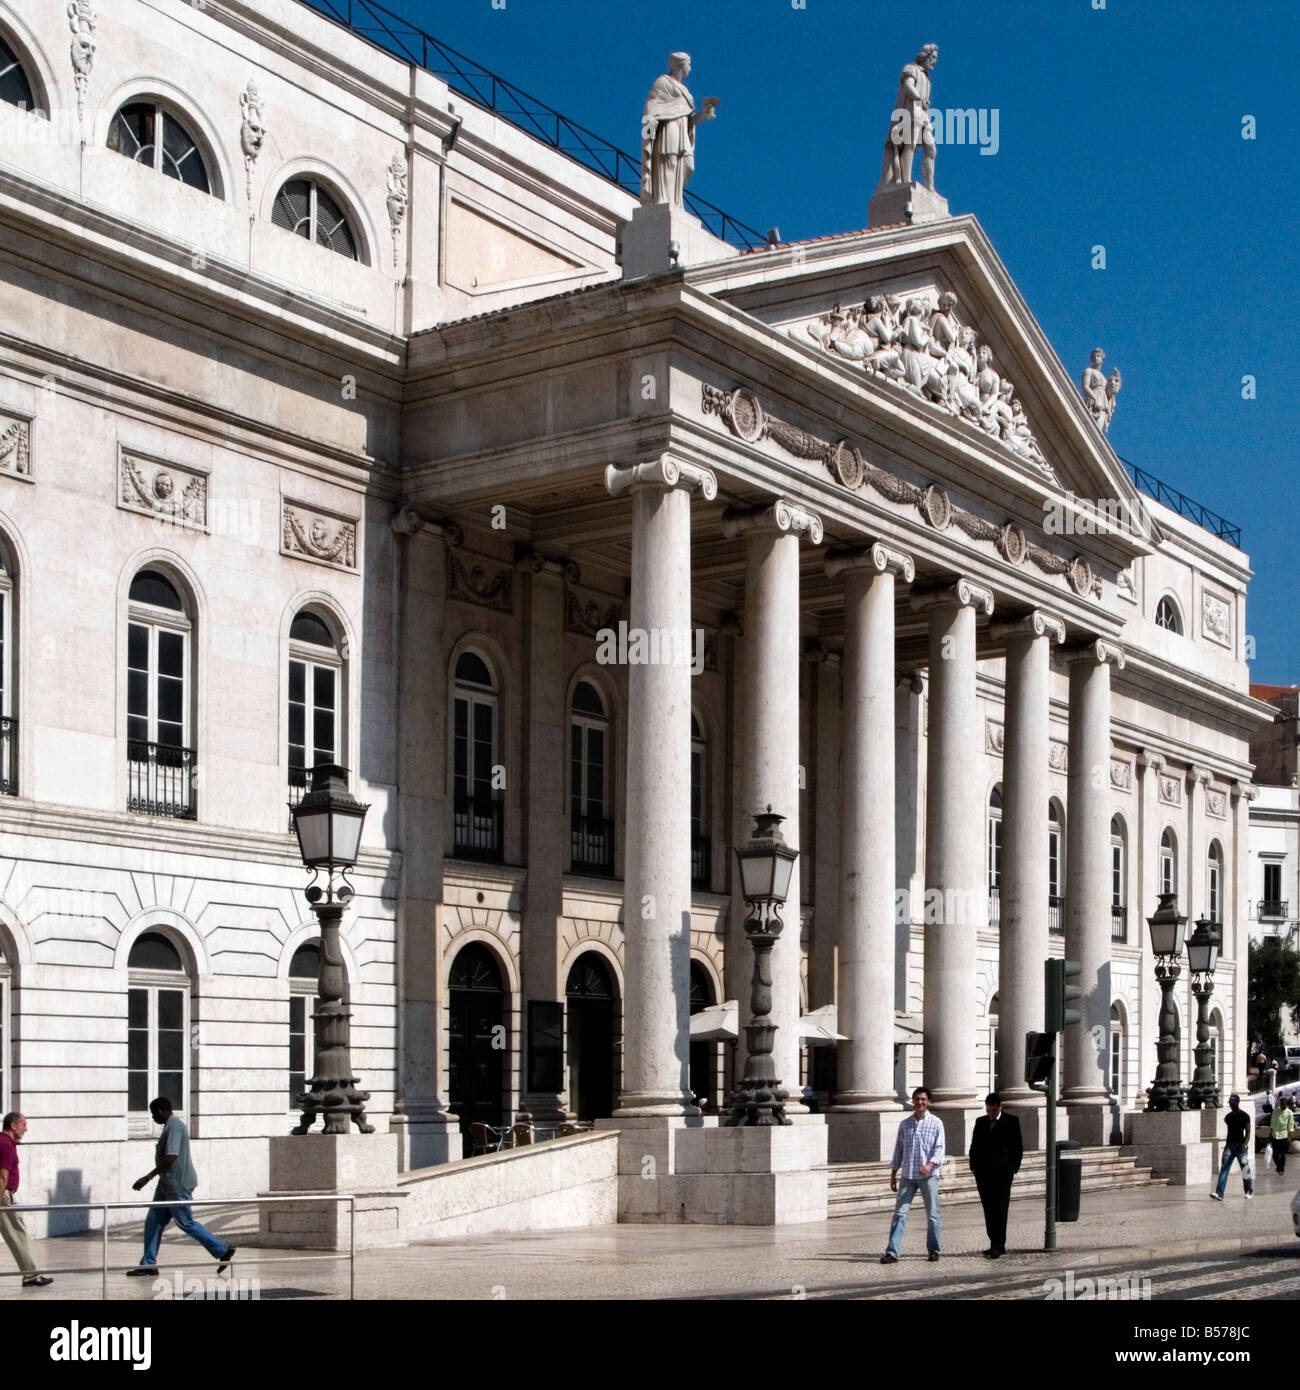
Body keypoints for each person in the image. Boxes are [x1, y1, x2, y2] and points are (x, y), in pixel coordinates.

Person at [127, 1097, 235, 1276]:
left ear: (162, 1111)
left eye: (154, 1114)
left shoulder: (175, 1126)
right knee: (154, 1222)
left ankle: (223, 1250)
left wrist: (147, 1177)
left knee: (186, 1222)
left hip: (178, 1184)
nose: (153, 1118)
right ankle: (148, 1264)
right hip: (167, 1184)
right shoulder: (170, 1126)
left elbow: (171, 1157)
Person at [639, 53, 718, 209]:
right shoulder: (663, 83)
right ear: (681, 65)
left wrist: (704, 114)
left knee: (688, 165)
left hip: (682, 131)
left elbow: (689, 119)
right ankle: (663, 201)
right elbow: (651, 107)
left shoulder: (686, 91)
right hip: (669, 129)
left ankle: (675, 201)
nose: (690, 67)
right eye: (689, 64)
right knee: (669, 162)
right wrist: (647, 137)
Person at [880, 1086, 945, 1264]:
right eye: (917, 1099)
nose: (919, 1102)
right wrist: (893, 1173)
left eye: (923, 1099)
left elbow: (940, 1150)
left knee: (932, 1214)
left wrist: (930, 1165)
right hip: (908, 1175)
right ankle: (892, 1252)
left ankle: (933, 1249)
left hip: (929, 1176)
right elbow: (898, 1151)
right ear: (913, 1101)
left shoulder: (937, 1123)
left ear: (929, 1102)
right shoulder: (905, 1124)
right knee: (899, 1214)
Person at [968, 1093, 1022, 1258]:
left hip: (1003, 1174)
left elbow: (1018, 1147)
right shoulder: (981, 1122)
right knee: (988, 1209)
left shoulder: (1012, 1121)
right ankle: (994, 1242)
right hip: (983, 1174)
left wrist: (1013, 1169)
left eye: (993, 1110)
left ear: (1000, 1107)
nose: (990, 1113)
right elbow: (974, 1146)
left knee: (1000, 1209)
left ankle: (998, 1245)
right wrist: (974, 1167)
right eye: (988, 1110)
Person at [0, 1113, 52, 1287]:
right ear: (13, 1126)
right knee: (18, 1235)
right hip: (4, 1195)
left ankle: (30, 1274)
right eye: (23, 1124)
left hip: (4, 1194)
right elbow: (2, 1177)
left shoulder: (5, 1142)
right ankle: (30, 1275)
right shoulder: (6, 1144)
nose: (26, 1128)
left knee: (17, 1235)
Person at [879, 44, 939, 191]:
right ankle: (906, 180)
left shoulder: (927, 77)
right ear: (925, 56)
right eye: (932, 57)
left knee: (931, 149)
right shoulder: (911, 69)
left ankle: (930, 187)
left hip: (923, 114)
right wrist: (919, 98)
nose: (934, 61)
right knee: (909, 145)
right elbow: (908, 85)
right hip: (911, 111)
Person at [1210, 1093, 1254, 1200]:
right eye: (1230, 1103)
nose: (1231, 1105)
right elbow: (1226, 1123)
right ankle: (1219, 1193)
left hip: (1241, 1147)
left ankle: (1249, 1190)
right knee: (1224, 1168)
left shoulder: (1245, 1116)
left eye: (1233, 1103)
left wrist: (1245, 1143)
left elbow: (1248, 1131)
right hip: (1229, 1146)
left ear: (1237, 1103)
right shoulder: (1228, 1117)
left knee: (1245, 1169)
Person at [1271, 1094, 1295, 1175]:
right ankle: (1279, 1167)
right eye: (1281, 1104)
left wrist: (1289, 1137)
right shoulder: (1275, 1111)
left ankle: (1281, 1169)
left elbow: (1290, 1126)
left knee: (1283, 1154)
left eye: (1284, 1104)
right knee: (1275, 1155)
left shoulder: (1289, 1113)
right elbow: (1272, 1123)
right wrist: (1270, 1134)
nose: (1282, 1106)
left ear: (1286, 1104)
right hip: (1274, 1135)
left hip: (1284, 1136)